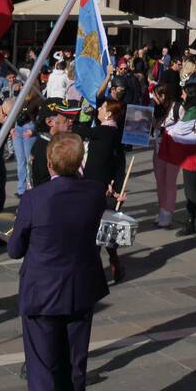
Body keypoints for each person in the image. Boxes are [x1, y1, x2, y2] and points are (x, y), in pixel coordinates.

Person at [8, 132, 108, 391]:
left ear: (49, 163)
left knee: (43, 372)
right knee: (75, 367)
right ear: (79, 163)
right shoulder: (95, 192)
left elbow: (15, 249)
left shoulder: (34, 198)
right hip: (79, 290)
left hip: (43, 292)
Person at [76, 98, 128, 282]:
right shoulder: (113, 132)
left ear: (108, 114)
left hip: (97, 187)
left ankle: (93, 272)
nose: (99, 109)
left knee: (96, 230)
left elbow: (80, 130)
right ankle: (115, 263)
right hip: (105, 186)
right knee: (106, 227)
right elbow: (119, 164)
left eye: (102, 107)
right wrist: (119, 188)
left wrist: (79, 115)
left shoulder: (105, 131)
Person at [160, 82, 196, 236]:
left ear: (190, 94)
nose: (181, 95)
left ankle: (191, 222)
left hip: (191, 157)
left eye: (184, 92)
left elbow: (178, 131)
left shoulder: (193, 112)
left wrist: (165, 129)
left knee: (191, 192)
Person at [29, 101, 81, 189]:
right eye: (66, 117)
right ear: (49, 122)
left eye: (71, 117)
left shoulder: (53, 142)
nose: (71, 120)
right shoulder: (43, 147)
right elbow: (44, 182)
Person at [150, 84, 179, 228]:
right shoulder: (157, 108)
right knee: (160, 180)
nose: (153, 98)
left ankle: (168, 213)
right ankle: (162, 210)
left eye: (155, 95)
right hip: (158, 148)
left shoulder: (176, 107)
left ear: (163, 95)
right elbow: (153, 126)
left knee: (169, 182)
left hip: (172, 150)